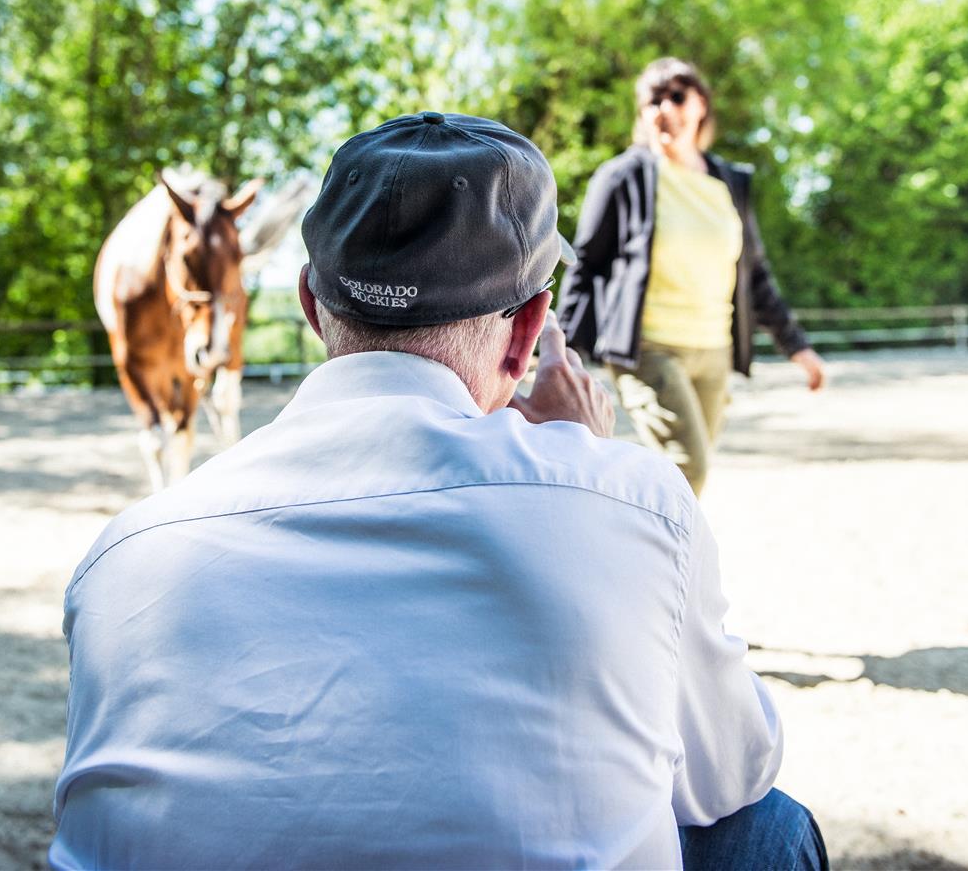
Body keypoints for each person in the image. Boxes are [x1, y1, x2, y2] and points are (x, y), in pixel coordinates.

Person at [50, 111, 827, 870]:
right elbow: (736, 767)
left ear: (313, 307)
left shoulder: (123, 552)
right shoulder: (637, 503)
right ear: (527, 333)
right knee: (767, 826)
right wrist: (591, 467)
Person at [559, 57, 826, 496]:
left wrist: (798, 349)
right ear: (642, 114)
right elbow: (585, 265)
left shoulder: (729, 183)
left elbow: (754, 274)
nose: (666, 107)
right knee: (688, 468)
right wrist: (561, 350)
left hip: (714, 351)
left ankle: (668, 558)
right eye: (653, 100)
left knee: (686, 482)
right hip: (649, 349)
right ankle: (641, 558)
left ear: (701, 104)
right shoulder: (622, 178)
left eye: (678, 96)